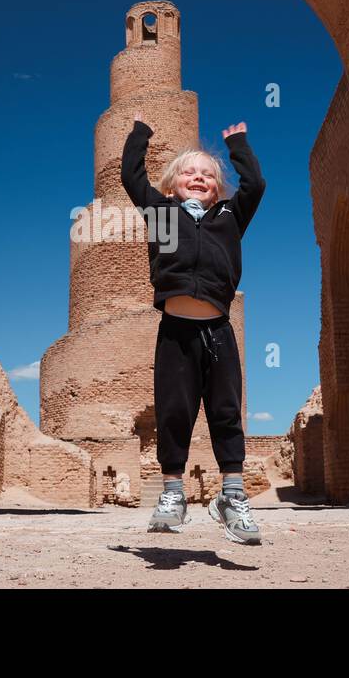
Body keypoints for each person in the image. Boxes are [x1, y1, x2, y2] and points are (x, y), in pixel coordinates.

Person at [119, 112, 267, 544]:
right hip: (176, 333)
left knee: (226, 412)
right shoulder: (161, 214)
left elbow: (255, 186)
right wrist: (141, 133)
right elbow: (131, 178)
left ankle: (232, 496)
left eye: (207, 174)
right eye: (189, 172)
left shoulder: (229, 218)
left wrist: (238, 146)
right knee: (174, 412)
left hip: (218, 331)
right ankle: (172, 494)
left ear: (219, 187)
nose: (198, 178)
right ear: (171, 184)